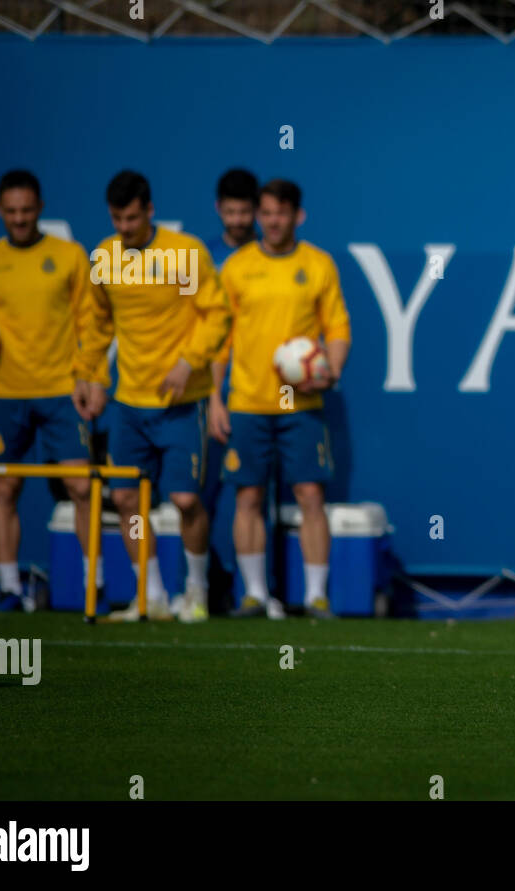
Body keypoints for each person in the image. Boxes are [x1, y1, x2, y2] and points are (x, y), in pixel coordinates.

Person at [0, 170, 107, 611]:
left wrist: (91, 379)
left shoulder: (70, 256)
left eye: (27, 210)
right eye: (11, 211)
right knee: (4, 490)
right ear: (0, 210)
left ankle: (95, 583)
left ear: (40, 207)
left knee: (80, 486)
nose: (19, 219)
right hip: (7, 392)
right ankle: (9, 587)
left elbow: (91, 325)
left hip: (63, 392)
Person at [80, 170, 231, 622]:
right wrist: (89, 378)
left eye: (131, 218)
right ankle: (152, 597)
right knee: (126, 500)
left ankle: (197, 592)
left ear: (149, 210)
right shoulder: (105, 257)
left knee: (185, 501)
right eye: (116, 219)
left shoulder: (184, 254)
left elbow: (216, 315)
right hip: (129, 403)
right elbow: (96, 325)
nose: (124, 228)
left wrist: (189, 360)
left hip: (183, 403)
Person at [209, 179, 350, 619]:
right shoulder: (235, 267)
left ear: (297, 216)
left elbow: (338, 330)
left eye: (281, 213)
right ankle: (253, 594)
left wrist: (329, 371)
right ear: (257, 215)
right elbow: (219, 341)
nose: (272, 221)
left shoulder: (318, 264)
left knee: (310, 495)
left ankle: (315, 597)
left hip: (299, 403)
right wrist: (215, 398)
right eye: (265, 213)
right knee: (247, 497)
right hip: (248, 400)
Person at [200, 168, 261, 615]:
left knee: (253, 495)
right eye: (232, 211)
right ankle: (202, 585)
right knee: (195, 495)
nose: (239, 219)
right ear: (218, 209)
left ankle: (256, 591)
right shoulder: (204, 258)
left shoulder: (272, 256)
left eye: (247, 211)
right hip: (208, 393)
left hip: (258, 396)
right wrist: (209, 395)